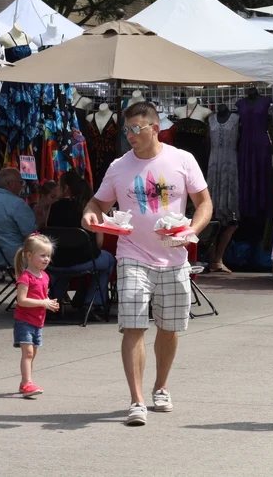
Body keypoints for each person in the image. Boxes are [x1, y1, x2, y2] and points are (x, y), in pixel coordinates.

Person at [82, 101, 213, 427]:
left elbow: (204, 203)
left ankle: (161, 386)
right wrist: (90, 215)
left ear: (154, 128)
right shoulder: (118, 166)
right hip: (132, 256)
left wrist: (192, 231)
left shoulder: (182, 160)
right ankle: (137, 400)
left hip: (173, 256)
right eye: (126, 130)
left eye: (135, 129)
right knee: (134, 325)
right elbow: (98, 202)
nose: (129, 136)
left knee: (169, 330)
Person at [46, 171, 115, 315]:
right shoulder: (90, 210)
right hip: (83, 260)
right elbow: (100, 243)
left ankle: (54, 301)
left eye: (58, 186)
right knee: (108, 259)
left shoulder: (54, 207)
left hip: (56, 262)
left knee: (64, 262)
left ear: (65, 188)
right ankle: (93, 303)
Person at [13, 233, 58, 399]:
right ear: (29, 256)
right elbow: (22, 300)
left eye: (49, 256)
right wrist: (43, 303)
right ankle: (27, 384)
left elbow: (41, 297)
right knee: (28, 353)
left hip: (38, 321)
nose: (46, 259)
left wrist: (48, 302)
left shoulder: (44, 276)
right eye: (43, 255)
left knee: (33, 353)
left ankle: (26, 381)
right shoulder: (26, 277)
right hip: (24, 321)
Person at [0, 168, 36, 271]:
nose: (22, 186)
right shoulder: (17, 204)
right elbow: (31, 234)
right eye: (21, 182)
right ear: (11, 184)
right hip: (14, 257)